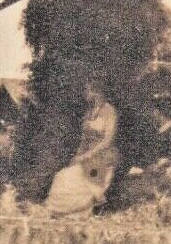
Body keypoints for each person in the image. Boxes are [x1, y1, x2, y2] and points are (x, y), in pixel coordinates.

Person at [43, 88, 121, 216]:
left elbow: (107, 141)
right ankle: (61, 213)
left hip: (103, 157)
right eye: (87, 91)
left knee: (82, 180)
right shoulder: (90, 112)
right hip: (88, 157)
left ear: (100, 91)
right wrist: (78, 156)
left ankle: (83, 212)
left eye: (91, 91)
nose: (87, 94)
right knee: (63, 176)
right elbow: (84, 140)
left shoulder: (109, 111)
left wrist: (85, 156)